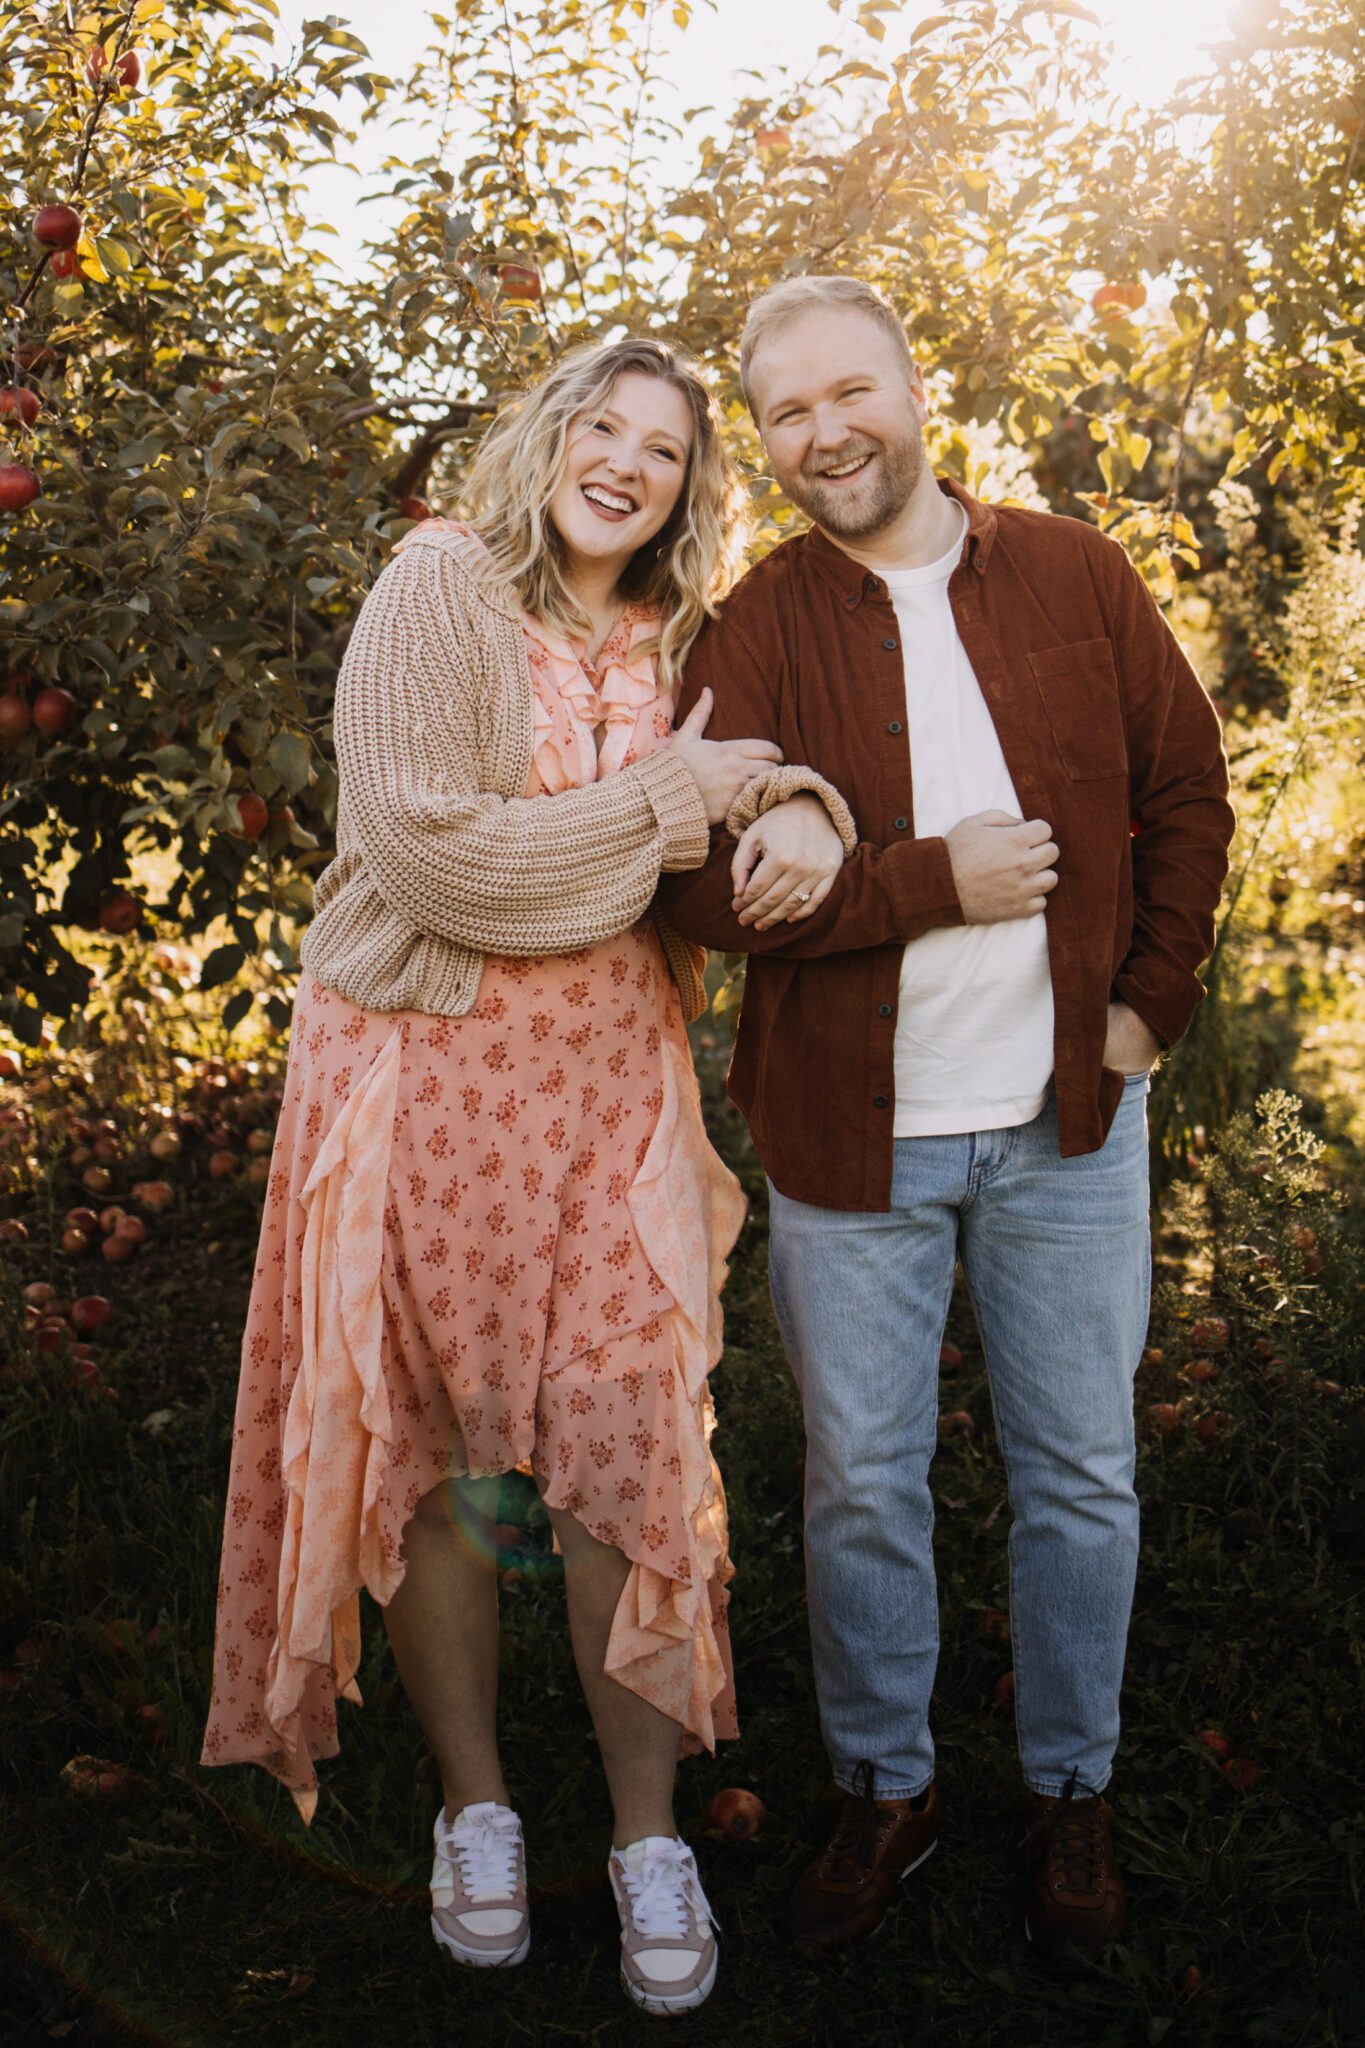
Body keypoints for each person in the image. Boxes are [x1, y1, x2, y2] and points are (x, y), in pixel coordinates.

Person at [200, 335, 853, 2017]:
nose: (626, 462)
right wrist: (659, 806)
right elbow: (423, 847)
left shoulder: (671, 634)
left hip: (602, 1106)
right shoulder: (440, 589)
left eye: (663, 448)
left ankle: (645, 1840)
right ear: (549, 437)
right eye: (602, 425)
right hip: (414, 1078)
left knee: (624, 1453)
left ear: (685, 490)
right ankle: (477, 1813)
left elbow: (761, 767)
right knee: (421, 1463)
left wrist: (798, 813)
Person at [658, 276, 1236, 1971]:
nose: (826, 432)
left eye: (851, 393)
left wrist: (1144, 1011)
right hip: (856, 1144)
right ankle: (885, 1787)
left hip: (1069, 1122)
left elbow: (1187, 790)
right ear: (763, 440)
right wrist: (919, 884)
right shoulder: (757, 627)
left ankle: (1070, 1795)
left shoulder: (1072, 573)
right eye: (785, 412)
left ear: (918, 389)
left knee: (1079, 1477)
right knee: (861, 1487)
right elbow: (695, 888)